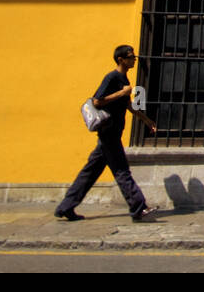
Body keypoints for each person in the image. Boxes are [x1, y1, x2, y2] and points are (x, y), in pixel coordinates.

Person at [55, 45, 159, 222]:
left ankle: (66, 206)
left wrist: (146, 120)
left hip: (112, 132)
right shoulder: (112, 78)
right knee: (122, 171)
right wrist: (121, 92)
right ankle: (138, 207)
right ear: (121, 59)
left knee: (90, 172)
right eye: (131, 56)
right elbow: (97, 101)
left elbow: (128, 105)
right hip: (108, 132)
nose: (134, 59)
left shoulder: (123, 78)